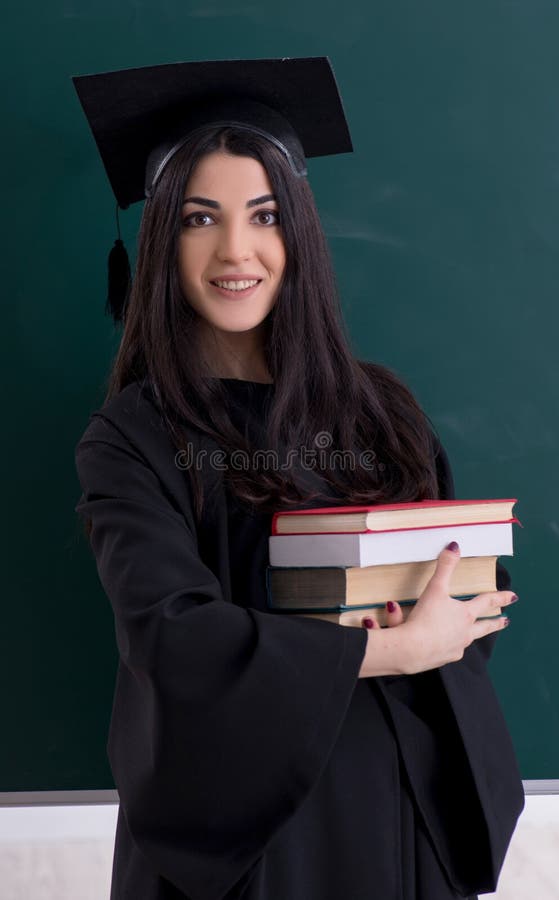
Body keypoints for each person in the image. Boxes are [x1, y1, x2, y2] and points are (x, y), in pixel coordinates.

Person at [73, 57, 524, 900]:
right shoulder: (134, 435)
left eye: (266, 215)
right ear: (161, 237)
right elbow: (172, 638)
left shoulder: (378, 411)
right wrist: (391, 648)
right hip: (247, 843)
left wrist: (459, 606)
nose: (234, 251)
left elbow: (457, 598)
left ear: (299, 234)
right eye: (199, 218)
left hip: (394, 814)